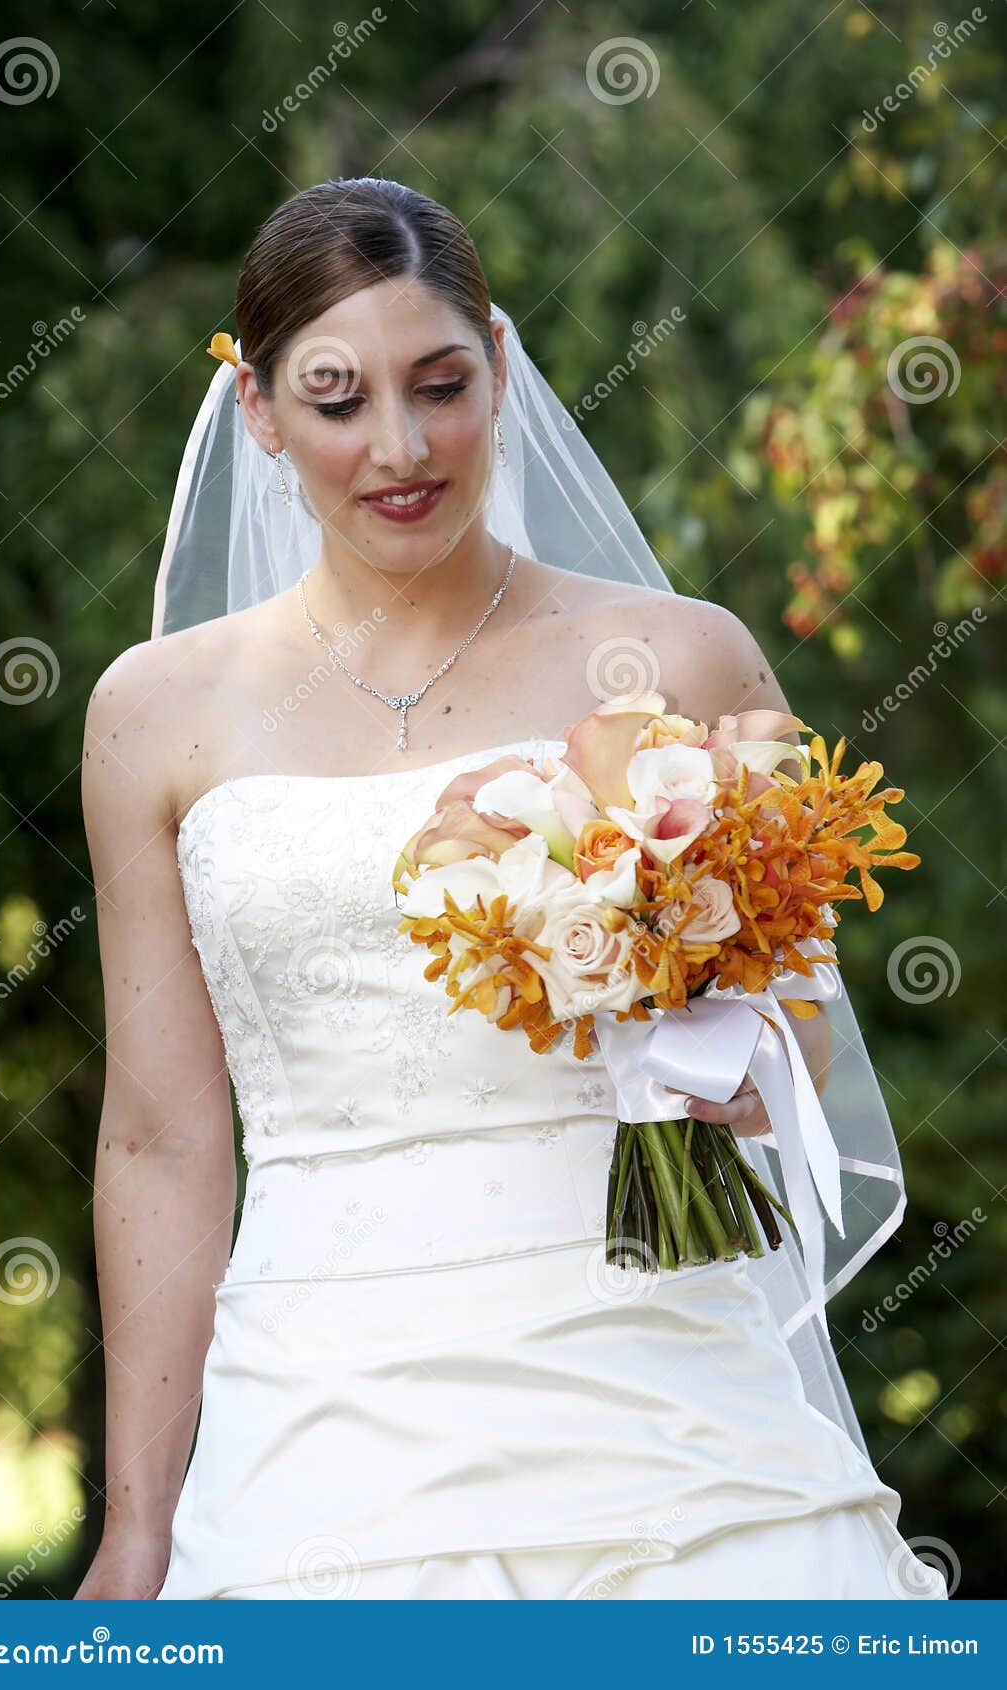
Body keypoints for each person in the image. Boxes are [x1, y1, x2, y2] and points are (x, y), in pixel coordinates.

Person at [75, 178, 947, 1601]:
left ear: (500, 360)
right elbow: (165, 1142)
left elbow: (807, 1030)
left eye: (441, 385)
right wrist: (138, 1528)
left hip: (666, 1401)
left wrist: (740, 1057)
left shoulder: (685, 660)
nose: (401, 448)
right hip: (321, 1415)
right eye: (339, 400)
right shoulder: (153, 711)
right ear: (259, 411)